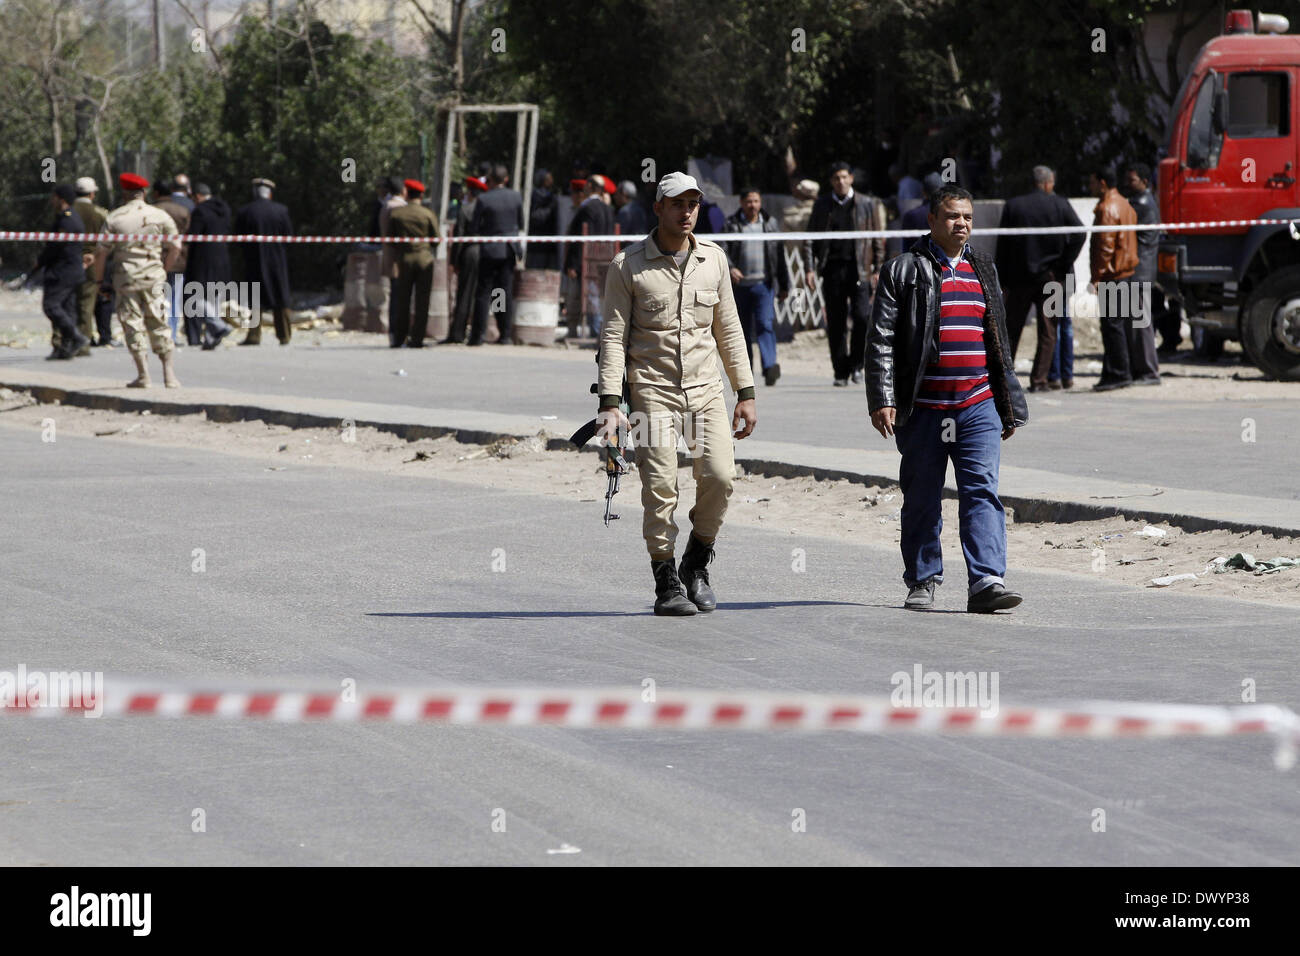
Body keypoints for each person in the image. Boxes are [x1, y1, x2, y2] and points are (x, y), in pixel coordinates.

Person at [598, 171, 756, 616]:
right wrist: (610, 404)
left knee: (721, 477)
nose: (686, 212)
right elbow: (612, 337)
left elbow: (729, 329)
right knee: (661, 486)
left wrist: (745, 392)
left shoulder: (714, 260)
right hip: (652, 392)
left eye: (693, 204)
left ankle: (696, 562)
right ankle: (666, 580)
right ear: (658, 208)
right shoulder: (627, 265)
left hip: (706, 391)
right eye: (677, 204)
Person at [866, 185, 1028, 613]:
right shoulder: (903, 270)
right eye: (953, 216)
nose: (962, 224)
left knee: (982, 491)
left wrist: (1007, 403)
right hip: (924, 409)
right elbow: (880, 338)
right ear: (932, 220)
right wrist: (882, 397)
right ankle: (922, 579)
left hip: (977, 404)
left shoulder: (984, 268)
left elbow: (998, 340)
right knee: (922, 496)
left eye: (968, 217)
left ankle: (987, 582)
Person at [995, 165, 1086, 391]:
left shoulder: (1014, 206)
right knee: (1048, 332)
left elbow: (1003, 245)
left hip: (1019, 279)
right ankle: (1039, 380)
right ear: (1047, 183)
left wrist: (1002, 280)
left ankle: (1003, 379)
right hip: (1051, 278)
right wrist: (1063, 263)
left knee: (1011, 330)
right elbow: (1080, 233)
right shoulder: (1059, 204)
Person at [92, 172, 182, 387]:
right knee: (160, 322)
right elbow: (176, 246)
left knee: (132, 324)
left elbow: (101, 252)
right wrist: (164, 268)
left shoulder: (115, 217)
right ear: (144, 192)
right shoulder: (159, 215)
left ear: (124, 193)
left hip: (126, 278)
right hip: (154, 277)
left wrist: (99, 281)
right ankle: (169, 374)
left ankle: (143, 375)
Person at [803, 161, 887, 386]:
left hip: (860, 269)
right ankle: (840, 371)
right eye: (836, 178)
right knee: (836, 322)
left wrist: (878, 268)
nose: (840, 182)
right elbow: (809, 239)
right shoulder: (822, 205)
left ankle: (857, 365)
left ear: (851, 178)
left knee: (862, 317)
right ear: (831, 182)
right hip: (832, 270)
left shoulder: (867, 203)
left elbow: (877, 238)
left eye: (844, 177)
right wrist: (809, 268)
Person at [724, 187, 790, 385]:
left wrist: (784, 284)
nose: (752, 205)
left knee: (765, 324)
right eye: (748, 201)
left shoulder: (770, 224)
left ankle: (770, 367)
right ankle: (746, 372)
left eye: (755, 201)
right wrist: (730, 268)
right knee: (741, 330)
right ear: (741, 203)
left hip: (764, 285)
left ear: (760, 203)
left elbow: (779, 254)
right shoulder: (731, 224)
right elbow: (722, 250)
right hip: (739, 287)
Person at [1089, 167, 1142, 391]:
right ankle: (1114, 372)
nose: (1090, 186)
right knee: (1118, 325)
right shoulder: (1124, 203)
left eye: (1092, 182)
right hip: (1125, 274)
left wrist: (1097, 276)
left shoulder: (1108, 207)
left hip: (1113, 275)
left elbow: (1105, 247)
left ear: (1102, 183)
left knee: (1112, 326)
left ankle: (1119, 373)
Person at [233, 177, 294, 345]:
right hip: (277, 262)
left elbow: (238, 238)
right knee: (280, 297)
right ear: (270, 194)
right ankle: (284, 335)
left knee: (255, 298)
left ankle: (254, 335)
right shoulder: (281, 211)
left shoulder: (245, 211)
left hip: (254, 260)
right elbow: (289, 237)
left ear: (254, 193)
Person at [468, 163, 523, 345]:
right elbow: (520, 222)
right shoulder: (516, 197)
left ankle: (478, 335)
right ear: (506, 179)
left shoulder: (484, 199)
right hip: (508, 250)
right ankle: (504, 334)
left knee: (483, 293)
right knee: (502, 291)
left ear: (490, 180)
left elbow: (475, 227)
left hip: (489, 251)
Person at [385, 178, 441, 348]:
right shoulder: (428, 214)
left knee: (403, 300)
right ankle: (417, 339)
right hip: (424, 260)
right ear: (421, 195)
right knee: (422, 301)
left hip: (405, 259)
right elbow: (436, 239)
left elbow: (390, 239)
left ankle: (399, 337)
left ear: (406, 194)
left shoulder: (397, 214)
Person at [36, 184, 89, 360]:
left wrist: (41, 261)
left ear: (61, 199)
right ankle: (66, 348)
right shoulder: (68, 217)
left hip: (63, 271)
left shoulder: (67, 220)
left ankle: (76, 337)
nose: (52, 201)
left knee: (51, 306)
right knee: (68, 308)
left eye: (54, 197)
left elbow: (55, 247)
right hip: (70, 271)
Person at [1124, 163, 1166, 373]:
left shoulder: (1140, 204)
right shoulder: (1144, 202)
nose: (1128, 184)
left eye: (1132, 180)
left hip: (1139, 272)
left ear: (1145, 182)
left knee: (1141, 324)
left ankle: (1148, 370)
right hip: (1140, 271)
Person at [185, 183, 235, 350]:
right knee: (214, 298)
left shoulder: (200, 211)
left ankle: (218, 325)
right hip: (222, 257)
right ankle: (211, 338)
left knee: (195, 296)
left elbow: (193, 236)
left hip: (203, 259)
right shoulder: (225, 208)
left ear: (198, 196)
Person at [565, 175, 616, 336]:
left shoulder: (587, 208)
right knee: (600, 298)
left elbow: (581, 239)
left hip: (587, 263)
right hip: (605, 260)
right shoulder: (608, 209)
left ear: (590, 187)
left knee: (585, 298)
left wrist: (573, 264)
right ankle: (598, 333)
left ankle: (594, 334)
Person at [446, 176, 487, 343]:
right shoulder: (488, 209)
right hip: (487, 253)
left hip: (470, 253)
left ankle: (457, 333)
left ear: (469, 192)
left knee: (464, 294)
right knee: (487, 294)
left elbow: (459, 238)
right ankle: (481, 333)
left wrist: (454, 262)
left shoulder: (465, 209)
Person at [71, 177, 110, 351]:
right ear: (92, 194)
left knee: (70, 300)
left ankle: (72, 337)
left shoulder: (68, 211)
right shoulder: (100, 213)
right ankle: (84, 340)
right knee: (87, 302)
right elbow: (107, 241)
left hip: (70, 261)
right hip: (93, 261)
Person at [152, 180, 193, 345]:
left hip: (154, 260)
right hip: (178, 259)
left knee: (155, 298)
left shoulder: (152, 210)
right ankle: (172, 335)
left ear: (156, 193)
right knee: (174, 299)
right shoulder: (183, 210)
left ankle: (157, 334)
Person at [526, 168, 560, 270]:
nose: (552, 180)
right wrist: (550, 209)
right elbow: (535, 216)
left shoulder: (552, 195)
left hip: (550, 243)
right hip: (537, 244)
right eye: (549, 178)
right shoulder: (535, 195)